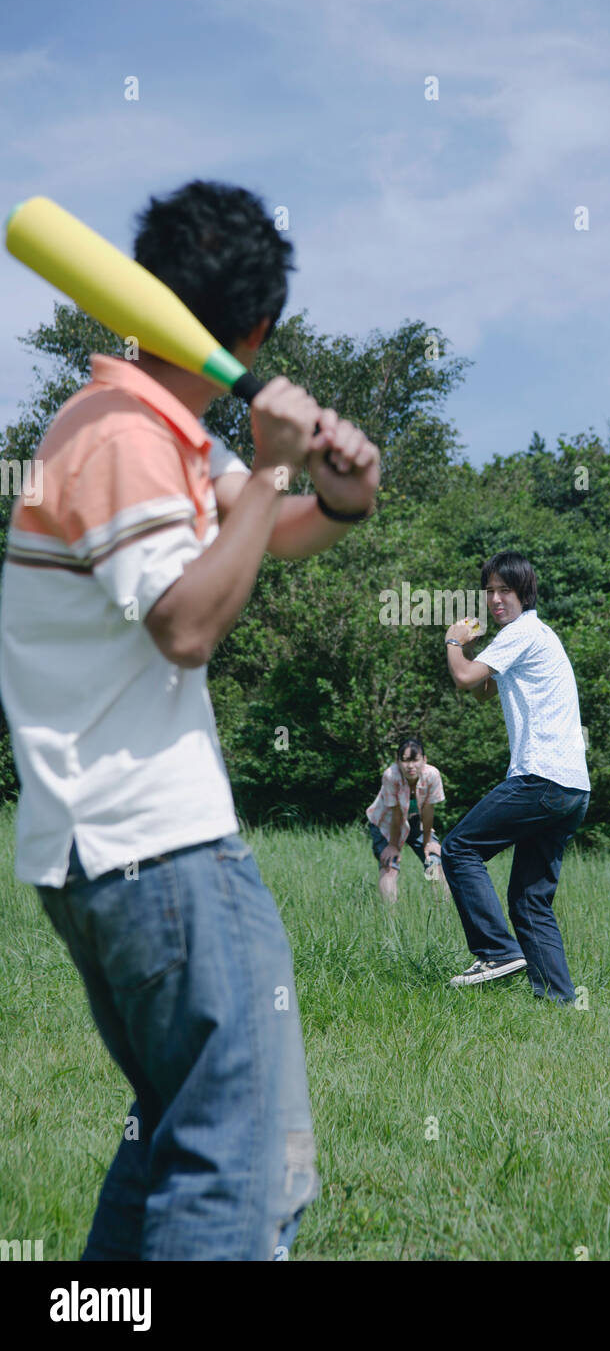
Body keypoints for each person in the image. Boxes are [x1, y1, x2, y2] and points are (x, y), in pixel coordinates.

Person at [0, 180, 380, 1260]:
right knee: (247, 1174)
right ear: (258, 328)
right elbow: (185, 622)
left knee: (176, 1143)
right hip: (157, 856)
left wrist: (339, 497)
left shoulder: (152, 428)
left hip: (111, 859)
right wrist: (268, 463)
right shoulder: (117, 436)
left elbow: (255, 537)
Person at [439, 552, 590, 1003]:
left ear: (525, 593)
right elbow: (488, 688)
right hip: (572, 789)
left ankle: (496, 951)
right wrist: (481, 649)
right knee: (529, 900)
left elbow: (465, 677)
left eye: (505, 590)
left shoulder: (522, 632)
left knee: (459, 847)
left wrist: (453, 641)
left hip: (540, 780)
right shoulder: (533, 636)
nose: (496, 599)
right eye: (489, 591)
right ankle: (559, 1001)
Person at [365, 737, 449, 903]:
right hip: (386, 823)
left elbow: (428, 809)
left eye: (415, 760)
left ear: (424, 760)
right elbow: (396, 813)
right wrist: (393, 846)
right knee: (390, 865)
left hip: (416, 821)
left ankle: (442, 913)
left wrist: (427, 842)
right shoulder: (391, 776)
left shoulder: (432, 775)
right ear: (398, 761)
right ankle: (390, 919)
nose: (410, 766)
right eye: (405, 760)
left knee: (434, 861)